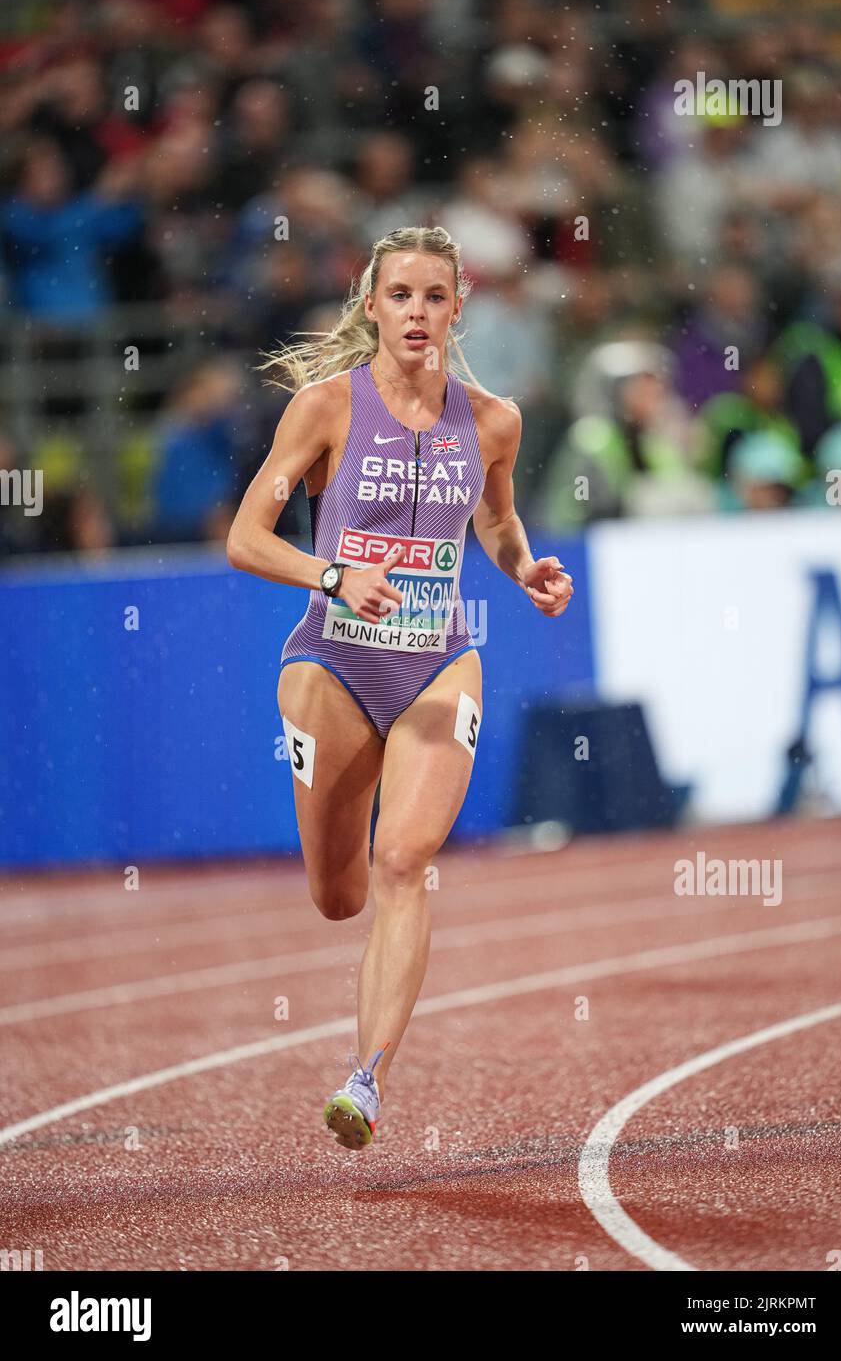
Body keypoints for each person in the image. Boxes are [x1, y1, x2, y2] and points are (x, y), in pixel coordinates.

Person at [226, 225, 574, 1149]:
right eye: (400, 296)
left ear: (458, 307)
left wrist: (525, 566)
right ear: (370, 307)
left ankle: (366, 1078)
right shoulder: (324, 408)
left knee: (405, 863)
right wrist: (335, 576)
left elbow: (496, 523)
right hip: (333, 660)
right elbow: (245, 540)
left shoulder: (493, 419)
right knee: (339, 896)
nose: (417, 313)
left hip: (438, 658)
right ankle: (341, 778)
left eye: (434, 296)